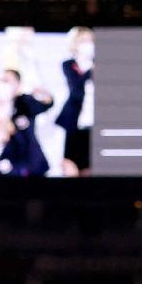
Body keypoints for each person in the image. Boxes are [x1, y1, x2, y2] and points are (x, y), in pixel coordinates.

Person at [55, 25, 95, 177]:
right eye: (83, 40)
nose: (88, 44)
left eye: (90, 40)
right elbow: (76, 88)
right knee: (71, 166)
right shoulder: (69, 64)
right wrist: (91, 71)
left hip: (93, 121)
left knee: (90, 166)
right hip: (75, 121)